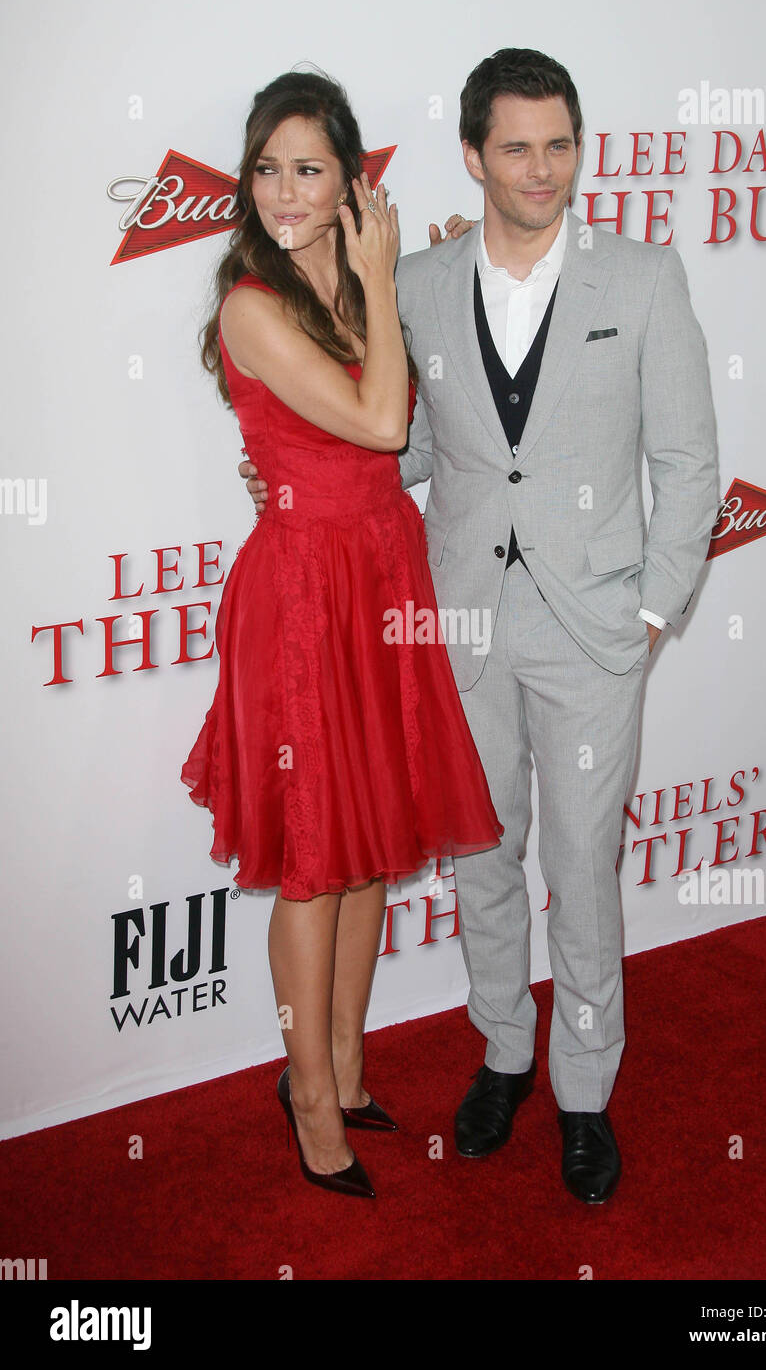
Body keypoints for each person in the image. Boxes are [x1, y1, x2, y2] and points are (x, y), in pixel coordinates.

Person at [242, 49, 720, 1204]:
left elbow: (689, 464)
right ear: (474, 156)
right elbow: (396, 439)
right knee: (483, 856)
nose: (542, 168)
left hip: (595, 631)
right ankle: (505, 1052)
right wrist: (290, 480)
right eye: (516, 146)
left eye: (560, 143)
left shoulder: (645, 278)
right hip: (457, 625)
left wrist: (651, 613)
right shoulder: (415, 281)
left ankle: (586, 1090)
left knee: (583, 867)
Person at [182, 70, 502, 1200]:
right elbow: (378, 419)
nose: (282, 190)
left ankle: (350, 1063)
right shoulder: (249, 304)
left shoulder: (371, 282)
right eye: (265, 167)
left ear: (350, 177)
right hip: (306, 595)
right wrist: (378, 273)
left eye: (307, 167)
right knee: (315, 860)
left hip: (383, 568)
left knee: (369, 842)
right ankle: (306, 1094)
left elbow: (410, 420)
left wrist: (398, 273)